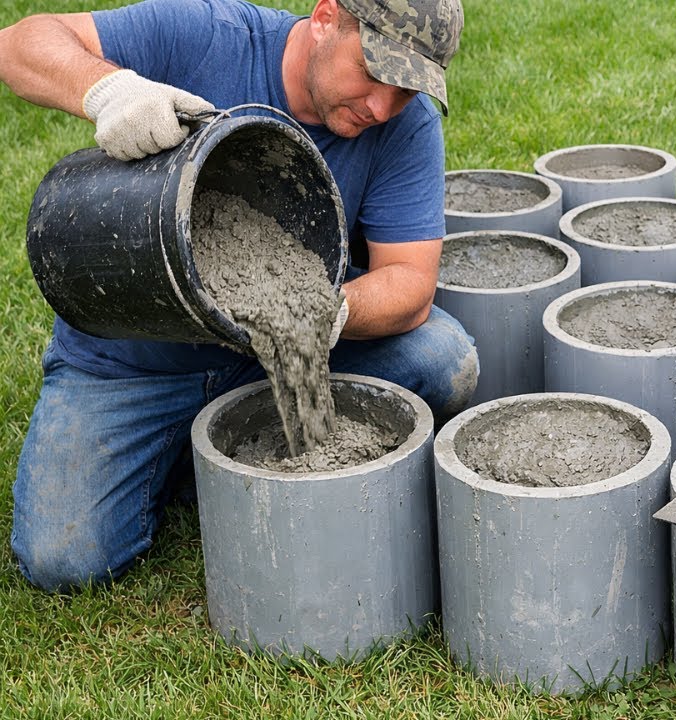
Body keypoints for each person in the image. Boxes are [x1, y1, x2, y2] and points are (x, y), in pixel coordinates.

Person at [0, 0, 479, 592]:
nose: (383, 106)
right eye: (376, 73)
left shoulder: (405, 127)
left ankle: (220, 438)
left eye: (406, 90)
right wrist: (108, 91)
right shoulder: (209, 38)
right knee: (65, 561)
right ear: (326, 17)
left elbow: (409, 281)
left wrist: (326, 314)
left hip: (267, 356)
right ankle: (183, 451)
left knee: (442, 356)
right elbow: (18, 44)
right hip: (134, 362)